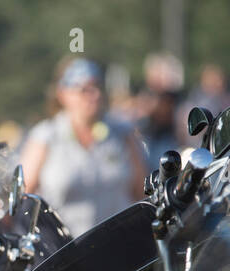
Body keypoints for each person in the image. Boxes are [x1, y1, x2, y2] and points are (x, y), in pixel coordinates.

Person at [20, 57, 148, 237]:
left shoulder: (123, 134)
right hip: (64, 252)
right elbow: (24, 199)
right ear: (63, 93)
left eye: (97, 87)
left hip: (120, 247)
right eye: (84, 90)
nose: (94, 95)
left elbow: (142, 194)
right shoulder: (45, 136)